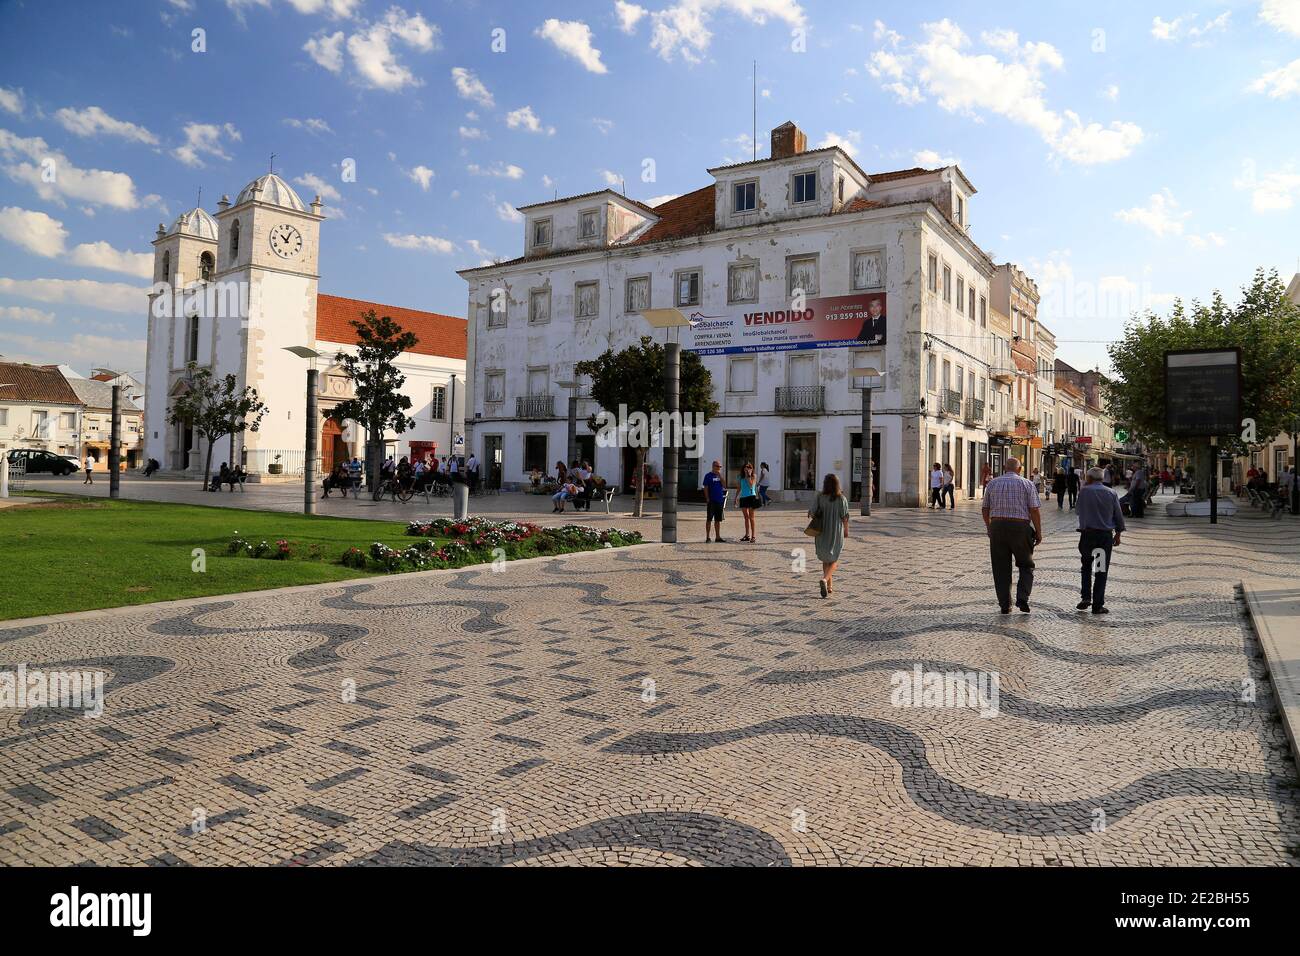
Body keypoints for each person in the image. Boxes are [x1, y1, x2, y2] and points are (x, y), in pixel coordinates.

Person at [981, 457, 1042, 614]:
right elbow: (1034, 510)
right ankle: (1022, 599)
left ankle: (1005, 605)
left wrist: (989, 527)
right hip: (1020, 527)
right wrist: (1039, 532)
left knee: (1000, 568)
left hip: (997, 526)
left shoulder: (993, 484)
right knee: (1026, 565)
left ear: (1003, 467)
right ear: (1020, 469)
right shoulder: (1027, 484)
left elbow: (985, 508)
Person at [1076, 467, 1125, 615]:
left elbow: (1078, 511)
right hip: (1103, 538)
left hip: (1087, 536)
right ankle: (1097, 605)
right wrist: (1118, 533)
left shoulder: (1084, 492)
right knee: (1100, 569)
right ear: (1102, 478)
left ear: (1089, 478)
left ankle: (1085, 597)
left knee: (1085, 566)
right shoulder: (1111, 493)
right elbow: (1118, 515)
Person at [810, 473, 851, 598]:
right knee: (834, 560)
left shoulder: (820, 497)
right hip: (835, 532)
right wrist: (846, 531)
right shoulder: (841, 499)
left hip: (822, 532)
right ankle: (825, 579)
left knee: (826, 559)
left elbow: (813, 514)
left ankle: (829, 586)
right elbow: (845, 517)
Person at [702, 459, 727, 543]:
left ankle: (718, 537)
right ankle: (708, 537)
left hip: (719, 500)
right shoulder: (708, 476)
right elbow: (705, 487)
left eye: (720, 467)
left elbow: (724, 486)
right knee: (709, 519)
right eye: (717, 466)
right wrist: (707, 498)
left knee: (718, 520)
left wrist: (720, 476)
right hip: (711, 500)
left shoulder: (720, 476)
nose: (719, 468)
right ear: (713, 466)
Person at [738, 462, 760, 542]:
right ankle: (747, 535)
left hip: (751, 497)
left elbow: (751, 485)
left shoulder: (754, 476)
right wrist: (736, 497)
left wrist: (748, 476)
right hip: (743, 497)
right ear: (743, 468)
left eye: (749, 467)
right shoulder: (740, 477)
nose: (747, 468)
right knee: (746, 518)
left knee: (751, 517)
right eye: (746, 467)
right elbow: (739, 488)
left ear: (751, 469)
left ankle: (753, 536)